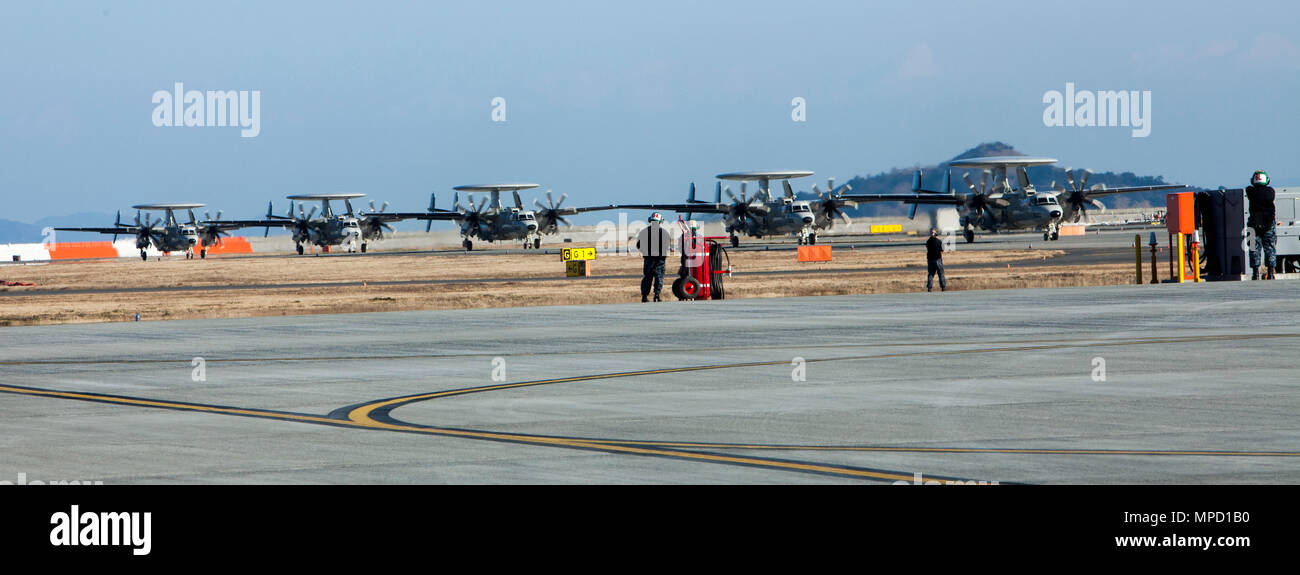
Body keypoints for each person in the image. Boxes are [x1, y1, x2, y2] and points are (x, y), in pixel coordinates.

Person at [636, 213, 674, 302]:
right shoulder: (664, 233)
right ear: (660, 221)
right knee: (659, 277)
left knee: (647, 278)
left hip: (648, 259)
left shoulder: (644, 232)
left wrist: (646, 252)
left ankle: (644, 296)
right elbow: (666, 246)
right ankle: (656, 296)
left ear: (650, 221)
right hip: (660, 260)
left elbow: (639, 245)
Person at [1246, 170, 1277, 280]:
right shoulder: (1271, 192)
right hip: (1269, 223)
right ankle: (1271, 272)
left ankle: (1255, 273)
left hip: (1253, 223)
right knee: (1270, 248)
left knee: (1254, 248)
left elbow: (1249, 187)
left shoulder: (1250, 191)